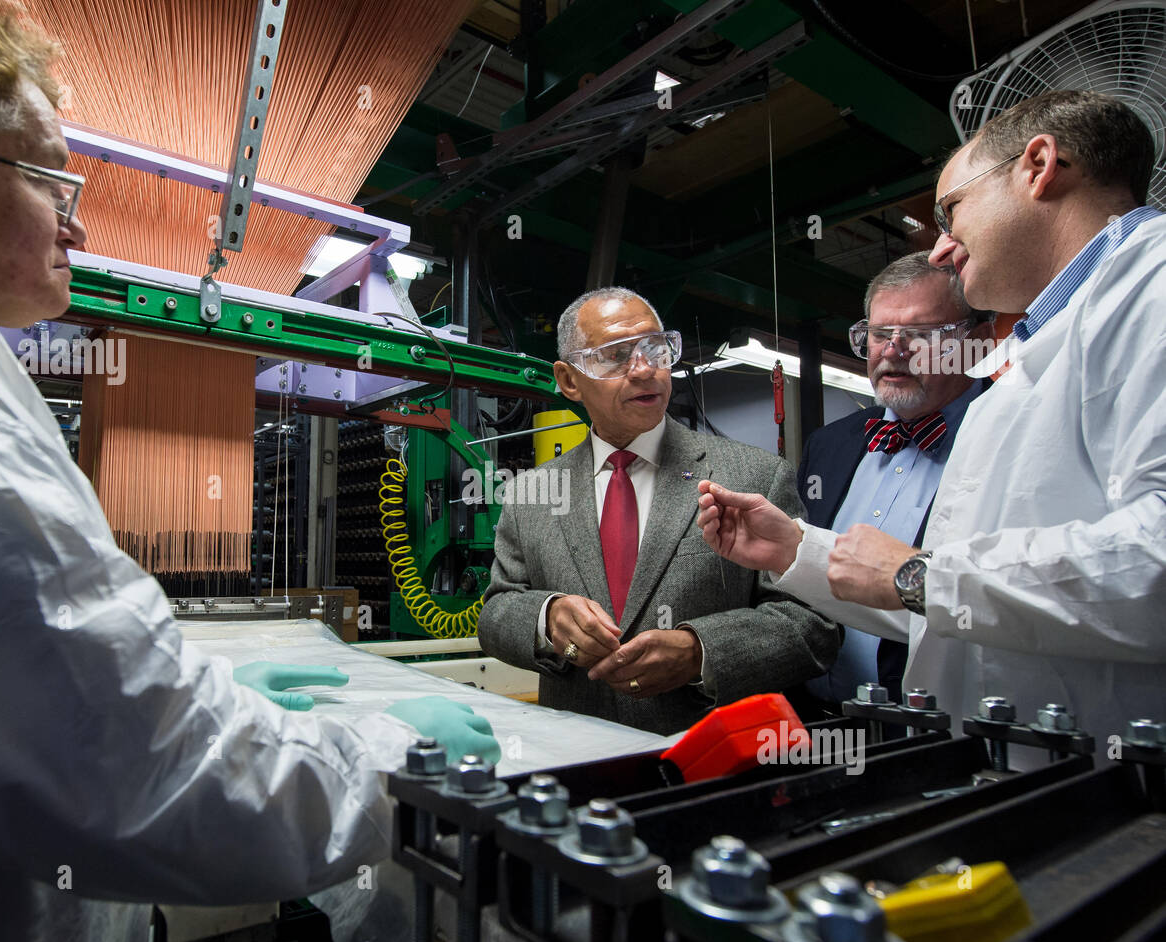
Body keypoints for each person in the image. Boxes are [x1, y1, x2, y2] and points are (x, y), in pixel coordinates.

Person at [0, 0, 496, 942]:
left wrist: (208, 696)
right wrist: (388, 766)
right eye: (49, 177)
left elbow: (32, 691)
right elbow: (122, 763)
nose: (78, 217)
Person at [697, 90, 1165, 757]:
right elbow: (950, 598)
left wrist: (921, 573)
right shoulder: (1031, 349)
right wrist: (797, 549)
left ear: (1038, 166)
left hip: (1107, 773)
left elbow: (1153, 562)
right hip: (1001, 758)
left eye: (951, 211)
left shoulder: (1152, 287)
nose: (942, 250)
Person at [478, 286, 839, 735]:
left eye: (656, 349)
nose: (646, 370)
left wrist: (699, 652)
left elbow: (813, 625)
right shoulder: (531, 493)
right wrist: (546, 619)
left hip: (710, 770)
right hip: (576, 762)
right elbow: (495, 613)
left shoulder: (753, 476)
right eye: (615, 355)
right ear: (569, 380)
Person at [798, 252, 994, 706]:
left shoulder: (1009, 432)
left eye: (921, 335)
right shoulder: (829, 444)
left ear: (978, 342)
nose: (892, 350)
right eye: (879, 333)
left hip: (937, 724)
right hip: (814, 719)